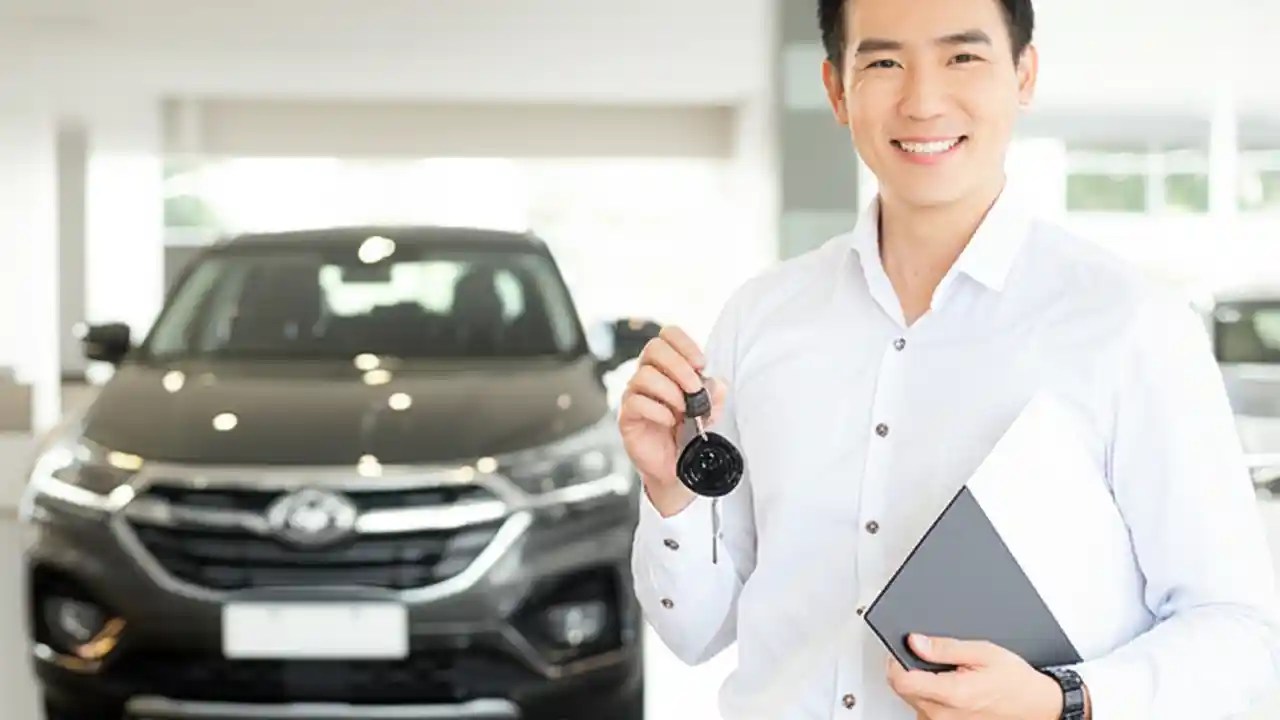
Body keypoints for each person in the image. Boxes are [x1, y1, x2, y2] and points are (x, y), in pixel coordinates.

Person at [618, 0, 1280, 717]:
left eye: (962, 56)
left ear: (1023, 74)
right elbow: (697, 631)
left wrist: (1066, 699)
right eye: (883, 62)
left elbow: (1243, 635)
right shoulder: (758, 320)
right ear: (837, 90)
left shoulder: (1132, 325)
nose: (924, 99)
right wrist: (672, 495)